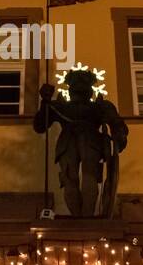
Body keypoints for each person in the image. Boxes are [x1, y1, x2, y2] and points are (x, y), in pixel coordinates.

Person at [33, 70, 129, 217]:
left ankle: (84, 217)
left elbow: (116, 122)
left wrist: (119, 134)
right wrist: (45, 102)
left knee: (84, 177)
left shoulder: (94, 106)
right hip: (77, 140)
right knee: (75, 178)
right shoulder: (95, 106)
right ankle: (81, 218)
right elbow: (40, 126)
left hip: (84, 139)